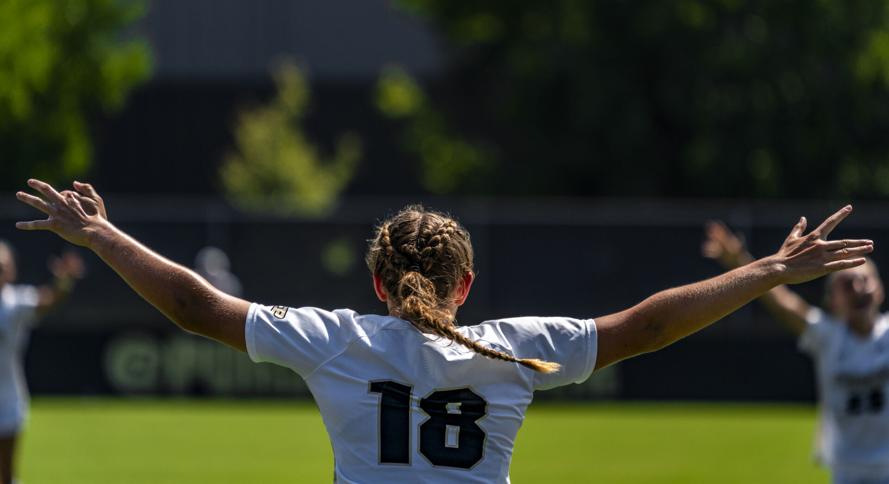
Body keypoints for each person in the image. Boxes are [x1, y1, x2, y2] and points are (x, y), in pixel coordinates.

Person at [14, 178, 873, 483]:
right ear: (466, 284)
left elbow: (196, 307)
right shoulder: (511, 348)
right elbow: (642, 328)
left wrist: (100, 235)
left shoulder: (334, 338)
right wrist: (765, 270)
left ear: (376, 281)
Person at [703, 220, 889, 484]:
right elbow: (784, 304)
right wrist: (739, 261)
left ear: (880, 289)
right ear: (833, 300)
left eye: (865, 280)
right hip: (846, 470)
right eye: (848, 284)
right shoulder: (827, 336)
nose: (859, 289)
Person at [0, 238, 86, 484]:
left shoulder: (15, 302)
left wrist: (65, 280)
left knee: (6, 475)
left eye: (1, 267)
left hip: (8, 401)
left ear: (11, 270)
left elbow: (49, 300)